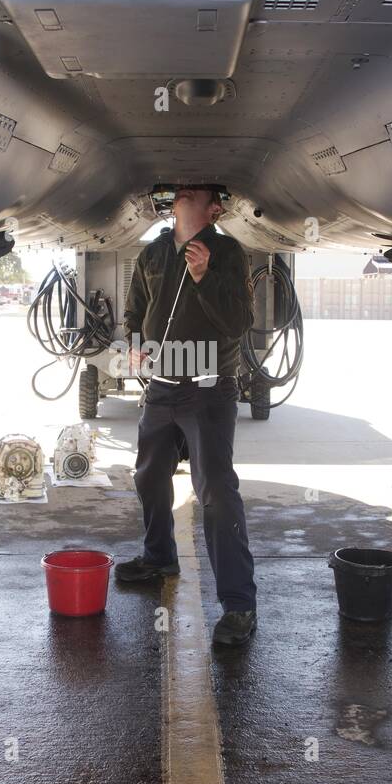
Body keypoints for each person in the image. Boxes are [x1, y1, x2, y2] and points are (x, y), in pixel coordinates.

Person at [118, 185, 259, 647]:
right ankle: (159, 557)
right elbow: (136, 308)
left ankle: (239, 605)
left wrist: (203, 276)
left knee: (215, 490)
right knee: (148, 475)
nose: (180, 194)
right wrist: (135, 339)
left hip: (208, 389)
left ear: (213, 208)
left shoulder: (228, 253)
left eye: (192, 192)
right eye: (179, 190)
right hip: (162, 386)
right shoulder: (155, 253)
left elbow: (237, 321)